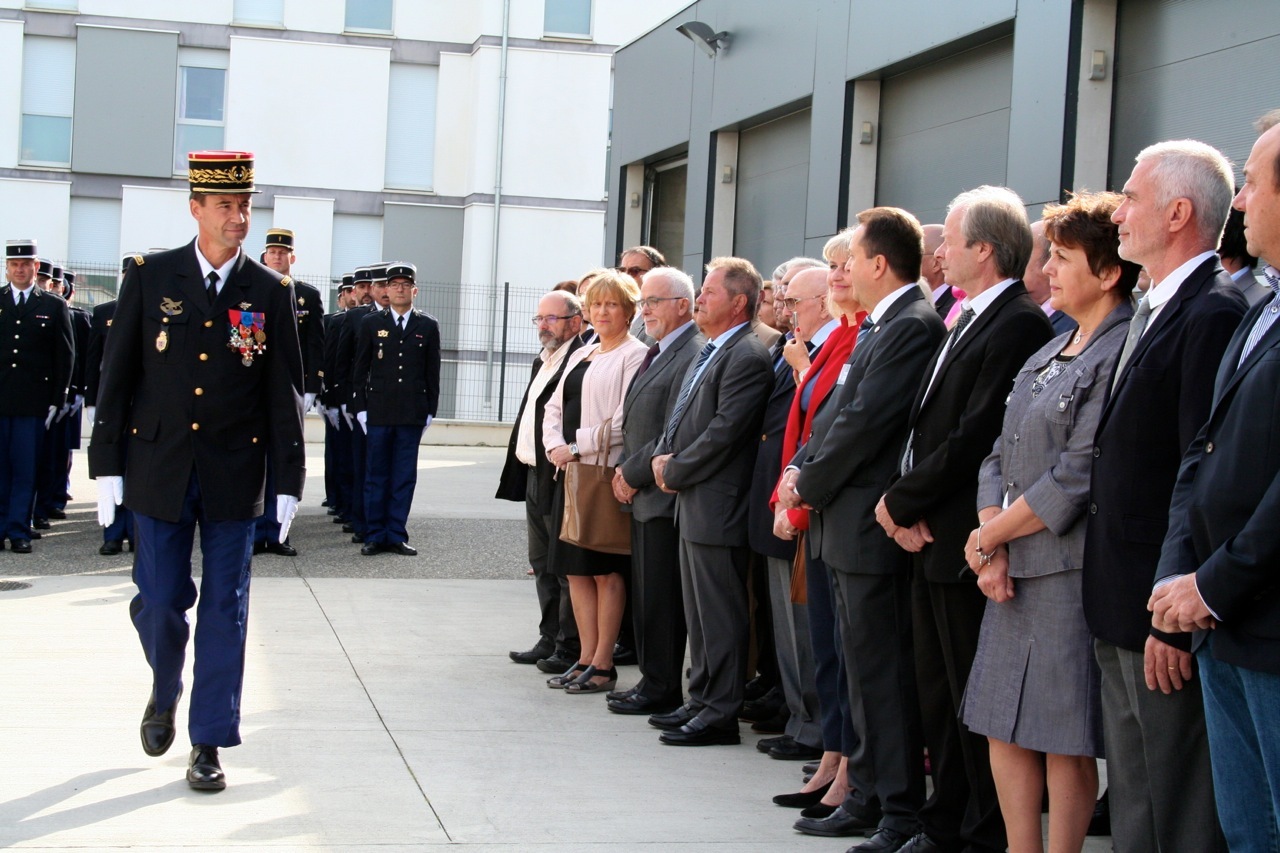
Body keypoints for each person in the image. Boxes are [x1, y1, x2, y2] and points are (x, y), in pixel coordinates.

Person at [88, 151, 305, 792]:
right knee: (160, 602)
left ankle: (208, 740)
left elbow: (282, 390)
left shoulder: (269, 291)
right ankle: (164, 688)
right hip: (157, 466)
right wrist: (106, 467)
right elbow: (117, 376)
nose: (238, 218)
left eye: (244, 207)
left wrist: (288, 480)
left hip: (235, 472)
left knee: (225, 610)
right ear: (196, 209)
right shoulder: (152, 276)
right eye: (225, 207)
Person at [876, 186, 1054, 853]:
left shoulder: (1017, 321)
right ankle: (944, 819)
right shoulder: (969, 315)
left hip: (963, 536)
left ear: (983, 248)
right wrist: (901, 500)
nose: (938, 252)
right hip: (932, 533)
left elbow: (976, 434)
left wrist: (899, 500)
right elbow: (928, 427)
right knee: (937, 690)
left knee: (969, 698)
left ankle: (981, 830)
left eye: (948, 241)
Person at [960, 192, 1137, 853]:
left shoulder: (1117, 349)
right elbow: (997, 454)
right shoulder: (1051, 347)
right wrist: (990, 543)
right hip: (1010, 566)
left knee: (1064, 735)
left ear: (1109, 271)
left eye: (1062, 258)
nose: (1048, 269)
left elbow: (1076, 472)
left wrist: (991, 536)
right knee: (1001, 722)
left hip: (1065, 568)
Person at [1084, 139, 1244, 853]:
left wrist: (1172, 614)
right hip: (1120, 594)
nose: (1117, 211)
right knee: (1137, 792)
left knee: (1174, 795)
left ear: (1178, 212)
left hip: (1159, 606)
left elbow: (1199, 470)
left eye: (1130, 197)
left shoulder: (1211, 312)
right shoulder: (1155, 305)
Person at [780, 207, 946, 851]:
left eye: (850, 260)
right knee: (857, 671)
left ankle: (899, 809)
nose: (841, 271)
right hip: (840, 523)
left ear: (880, 264)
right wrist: (801, 471)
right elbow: (834, 417)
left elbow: (868, 423)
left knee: (882, 674)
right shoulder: (879, 325)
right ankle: (871, 795)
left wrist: (808, 485)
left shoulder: (910, 325)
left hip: (866, 528)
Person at [1149, 121, 1280, 852]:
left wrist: (1215, 582)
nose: (1243, 202)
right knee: (1246, 828)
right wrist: (1179, 571)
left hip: (1260, 617)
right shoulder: (1262, 308)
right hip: (1222, 624)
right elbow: (1202, 451)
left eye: (1255, 183)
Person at [648, 256, 773, 746]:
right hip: (693, 500)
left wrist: (673, 469)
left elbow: (725, 432)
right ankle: (700, 700)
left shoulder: (745, 355)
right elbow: (681, 420)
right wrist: (662, 456)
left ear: (738, 302)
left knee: (719, 612)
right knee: (699, 611)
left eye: (709, 292)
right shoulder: (712, 350)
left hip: (718, 503)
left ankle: (720, 712)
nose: (699, 299)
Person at [766, 254, 865, 813]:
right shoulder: (840, 340)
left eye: (845, 267)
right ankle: (833, 756)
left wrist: (796, 501)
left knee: (841, 653)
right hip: (811, 507)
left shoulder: (854, 339)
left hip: (830, 511)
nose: (838, 279)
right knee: (826, 649)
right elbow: (811, 426)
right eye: (833, 270)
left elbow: (841, 429)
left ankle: (846, 765)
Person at [543, 269, 647, 693]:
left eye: (611, 304)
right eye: (595, 305)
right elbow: (553, 404)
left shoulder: (635, 355)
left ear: (628, 310)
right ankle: (585, 657)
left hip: (601, 472)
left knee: (605, 571)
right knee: (576, 572)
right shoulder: (585, 351)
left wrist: (576, 445)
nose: (602, 312)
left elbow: (625, 419)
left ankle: (604, 663)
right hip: (568, 472)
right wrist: (554, 445)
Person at [607, 267, 705, 714]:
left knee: (662, 602)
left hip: (662, 494)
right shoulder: (659, 349)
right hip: (648, 496)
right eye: (643, 302)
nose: (643, 310)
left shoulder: (690, 351)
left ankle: (661, 685)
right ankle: (652, 679)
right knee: (649, 597)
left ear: (682, 305)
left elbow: (673, 428)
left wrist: (631, 471)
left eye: (652, 302)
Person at [749, 262, 832, 762]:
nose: (784, 309)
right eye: (780, 299)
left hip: (802, 503)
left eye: (793, 301)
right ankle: (799, 717)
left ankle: (813, 726)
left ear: (820, 302)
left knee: (804, 627)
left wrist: (803, 370)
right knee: (786, 625)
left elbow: (815, 421)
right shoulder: (791, 348)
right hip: (777, 497)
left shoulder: (820, 351)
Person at [498, 290, 584, 671]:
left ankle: (569, 645)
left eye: (552, 318)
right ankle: (549, 636)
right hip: (534, 471)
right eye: (540, 319)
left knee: (564, 564)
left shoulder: (581, 360)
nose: (543, 326)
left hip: (560, 474)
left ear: (576, 322)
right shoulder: (545, 359)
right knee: (541, 560)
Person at [351, 262, 441, 556]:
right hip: (378, 411)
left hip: (411, 412)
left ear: (414, 290)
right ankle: (375, 533)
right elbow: (360, 368)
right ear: (386, 290)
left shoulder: (427, 326)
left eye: (406, 284)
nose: (400, 289)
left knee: (403, 476)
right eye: (395, 284)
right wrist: (360, 408)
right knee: (376, 475)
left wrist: (430, 410)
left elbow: (432, 372)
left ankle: (396, 533)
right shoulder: (371, 324)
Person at [0, 239, 74, 554]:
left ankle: (18, 529)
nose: (19, 269)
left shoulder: (53, 305)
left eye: (25, 264)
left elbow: (65, 355)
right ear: (6, 267)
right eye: (14, 264)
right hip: (0, 400)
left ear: (35, 266)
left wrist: (57, 398)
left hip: (34, 402)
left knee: (25, 469)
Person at [254, 228, 323, 555]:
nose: (277, 257)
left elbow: (314, 346)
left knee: (286, 457)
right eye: (272, 252)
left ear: (292, 258)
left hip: (290, 389)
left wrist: (311, 386)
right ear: (264, 255)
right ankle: (255, 530)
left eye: (283, 253)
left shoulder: (306, 296)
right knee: (254, 459)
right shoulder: (249, 289)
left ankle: (279, 530)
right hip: (255, 389)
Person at [85, 257, 135, 555]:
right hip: (110, 403)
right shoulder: (104, 312)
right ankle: (113, 534)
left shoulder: (157, 312)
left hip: (141, 404)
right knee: (110, 466)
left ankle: (134, 531)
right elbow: (93, 361)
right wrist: (91, 399)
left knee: (138, 469)